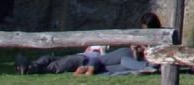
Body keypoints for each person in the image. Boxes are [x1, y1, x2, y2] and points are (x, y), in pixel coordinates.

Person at [21, 14, 162, 75]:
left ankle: (30, 68)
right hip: (85, 55)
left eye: (145, 28)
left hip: (86, 59)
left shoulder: (158, 43)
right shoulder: (134, 41)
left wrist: (138, 50)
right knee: (49, 58)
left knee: (58, 65)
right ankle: (28, 65)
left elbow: (133, 61)